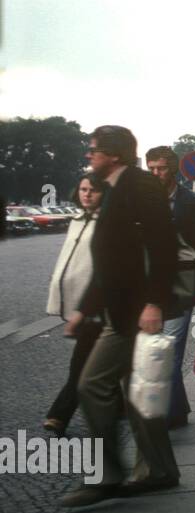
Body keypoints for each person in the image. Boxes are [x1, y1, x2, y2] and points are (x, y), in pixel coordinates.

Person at [61, 125, 179, 506]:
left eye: (93, 150)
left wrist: (154, 303)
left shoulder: (140, 186)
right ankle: (159, 471)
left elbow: (162, 248)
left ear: (114, 154)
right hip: (121, 308)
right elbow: (112, 260)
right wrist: (85, 309)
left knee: (91, 384)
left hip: (133, 312)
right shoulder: (116, 188)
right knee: (137, 395)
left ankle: (106, 475)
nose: (88, 156)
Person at [145, 146, 195, 431]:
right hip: (150, 285)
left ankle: (164, 415)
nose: (155, 173)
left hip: (183, 284)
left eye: (160, 168)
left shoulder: (194, 202)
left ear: (173, 169)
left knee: (170, 352)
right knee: (155, 350)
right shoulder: (142, 201)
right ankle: (177, 408)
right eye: (150, 168)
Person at [43, 174, 108, 435]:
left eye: (93, 190)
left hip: (96, 306)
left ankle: (59, 415)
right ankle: (122, 408)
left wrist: (84, 308)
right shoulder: (77, 220)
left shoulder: (107, 222)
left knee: (82, 364)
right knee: (96, 364)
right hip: (78, 304)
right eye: (83, 189)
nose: (87, 194)